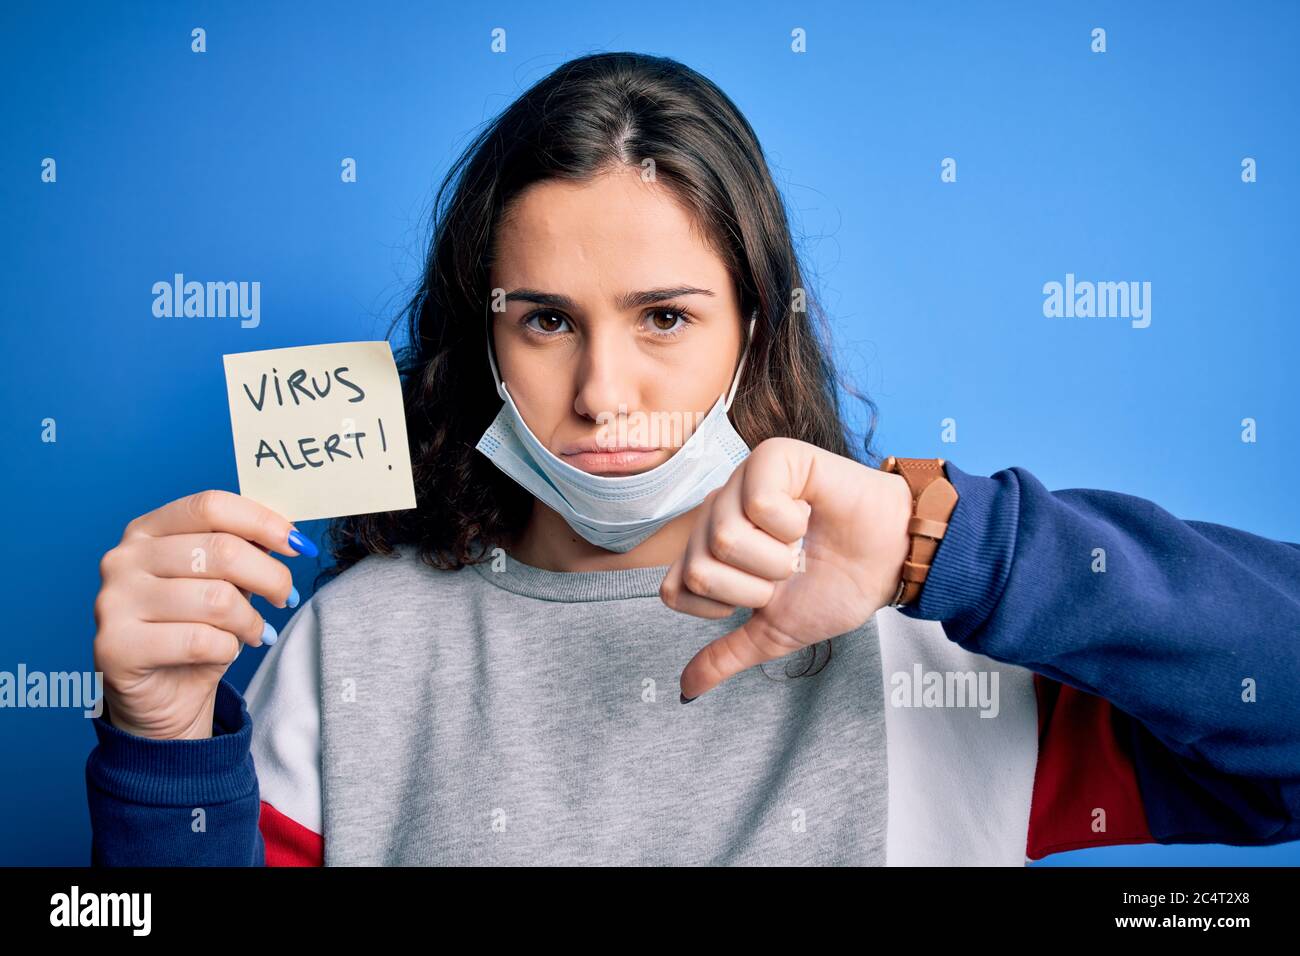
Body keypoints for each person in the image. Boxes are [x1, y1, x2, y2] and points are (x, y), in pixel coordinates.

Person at [85, 52, 1300, 866]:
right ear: (486, 338)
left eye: (664, 316)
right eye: (546, 319)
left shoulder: (934, 640)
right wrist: (166, 744)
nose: (604, 393)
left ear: (754, 328)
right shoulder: (351, 649)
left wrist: (943, 546)